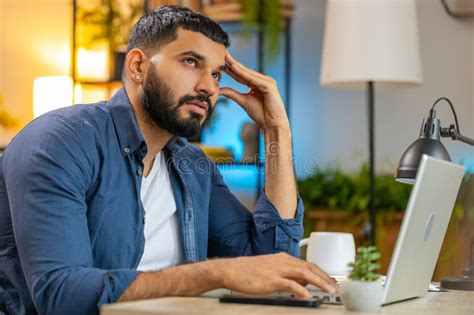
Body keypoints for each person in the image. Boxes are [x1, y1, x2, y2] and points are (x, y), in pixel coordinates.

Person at [0, 5, 337, 315]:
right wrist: (214, 273)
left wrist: (276, 131)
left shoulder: (192, 166)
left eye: (217, 74)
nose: (208, 87)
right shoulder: (60, 143)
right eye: (191, 62)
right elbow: (61, 295)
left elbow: (270, 262)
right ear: (137, 67)